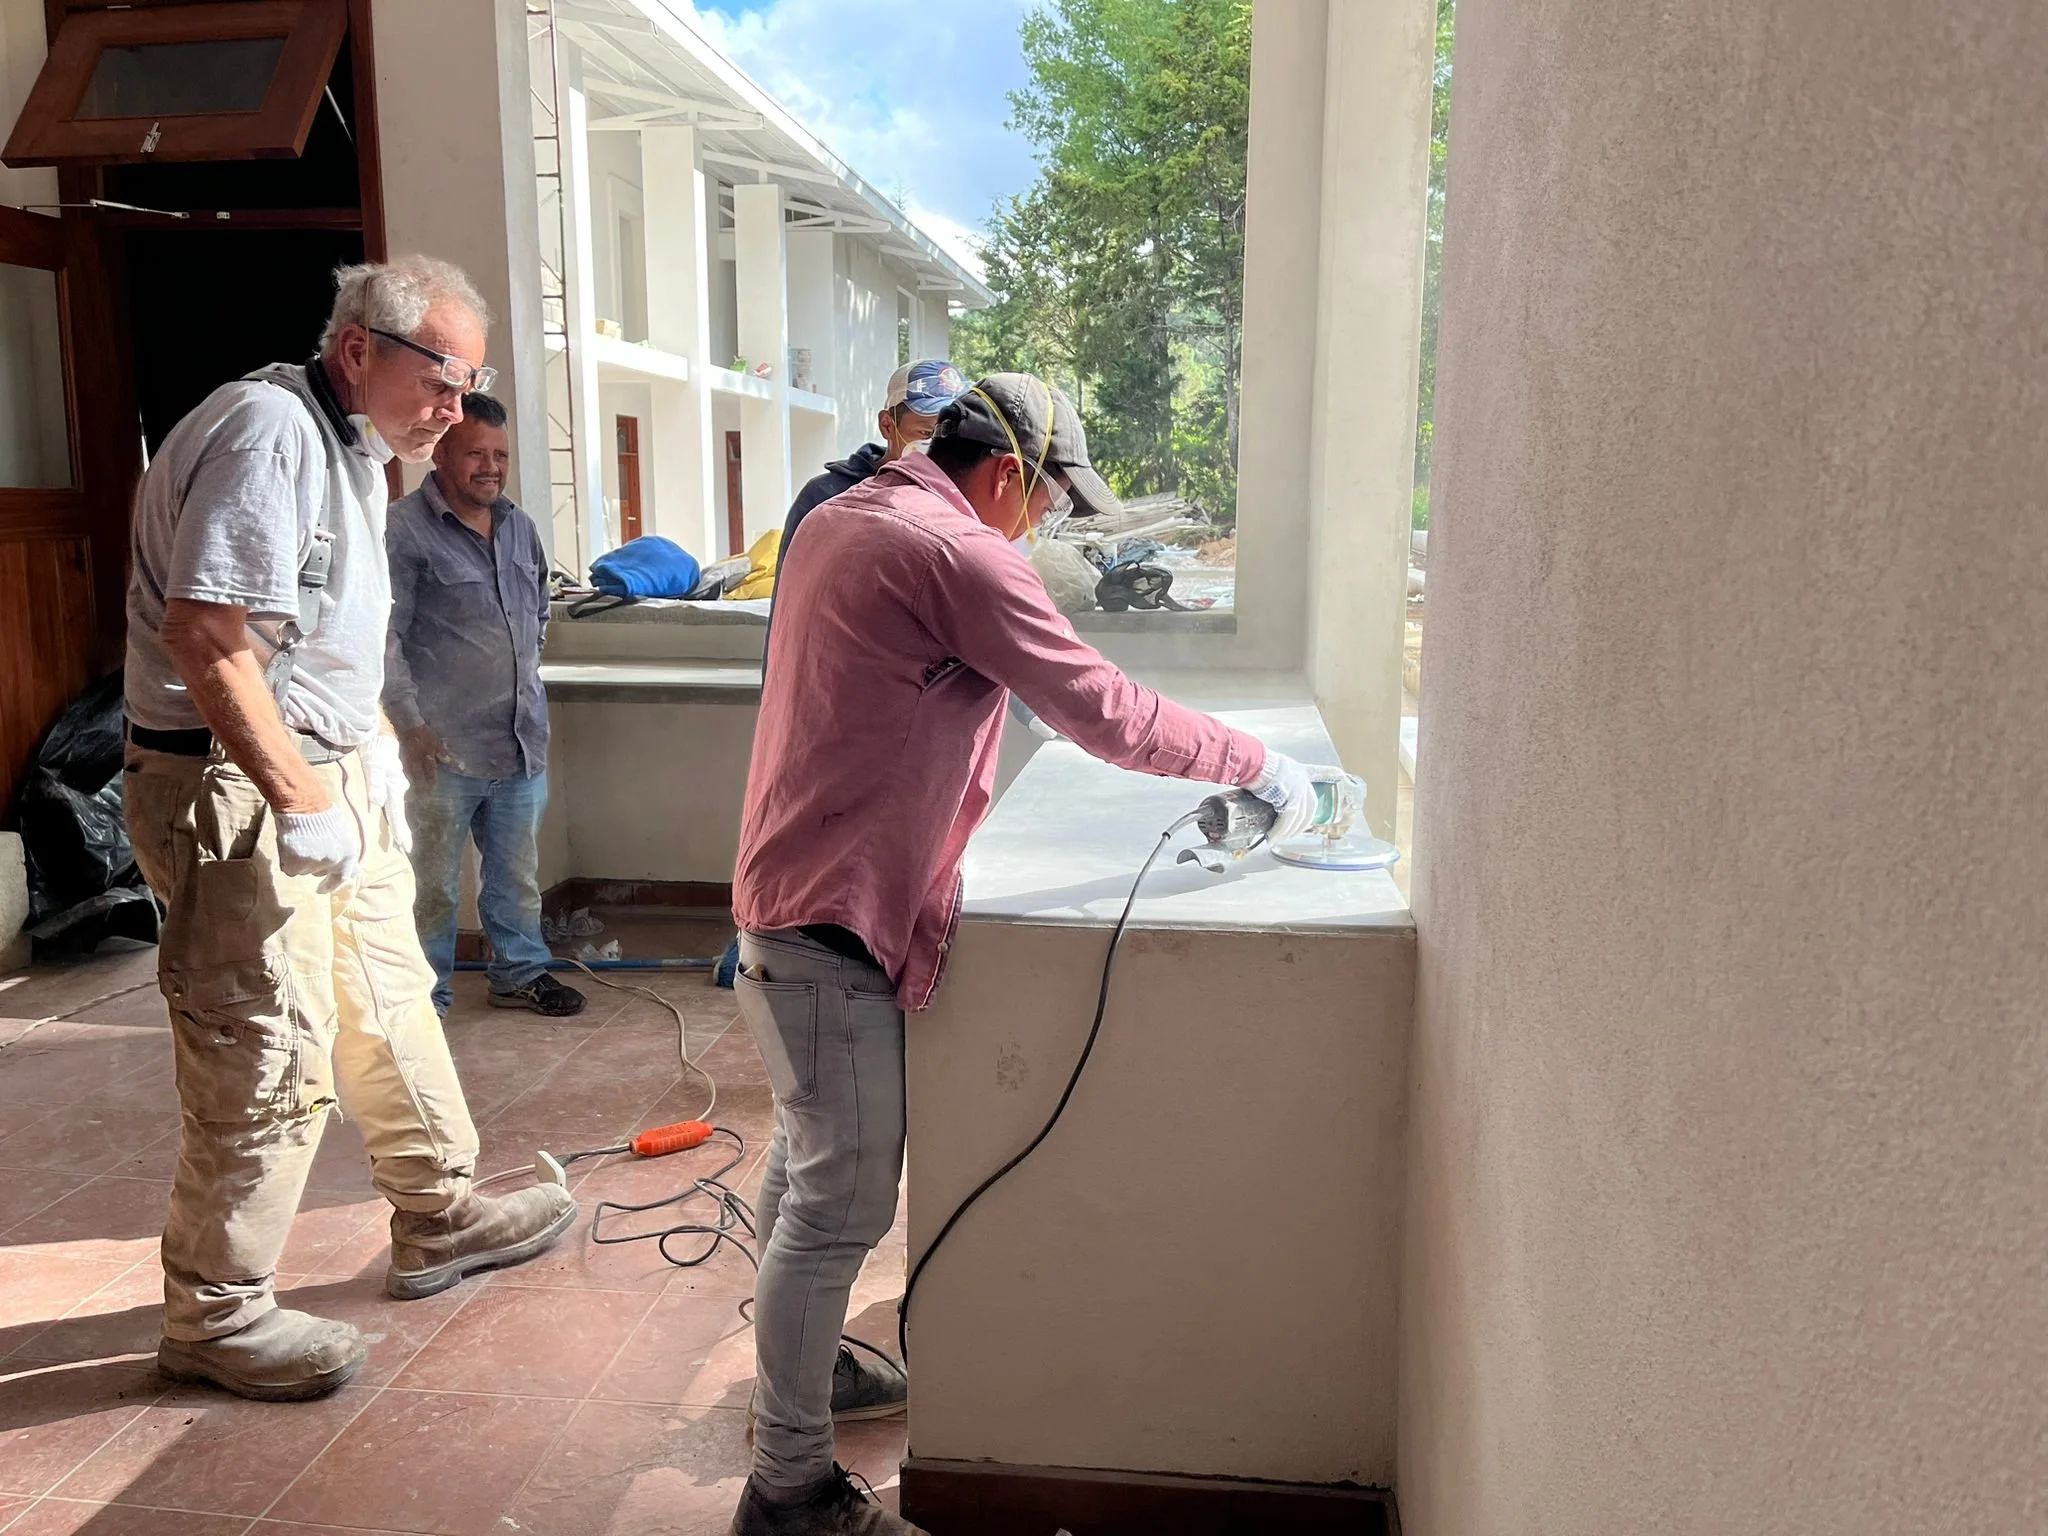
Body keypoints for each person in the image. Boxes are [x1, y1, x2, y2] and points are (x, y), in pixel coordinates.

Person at [724, 374, 1338, 1535]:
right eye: (1053, 502)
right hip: (831, 917)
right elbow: (1098, 708)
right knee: (836, 1203)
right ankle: (788, 1488)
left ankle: (798, 1381)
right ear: (1007, 473)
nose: (1047, 526)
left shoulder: (846, 518)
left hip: (788, 887)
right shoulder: (957, 554)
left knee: (809, 1160)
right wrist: (1257, 764)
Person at [121, 256, 577, 1404]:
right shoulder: (271, 433)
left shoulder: (356, 453)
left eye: (473, 384)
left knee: (386, 998)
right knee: (265, 1043)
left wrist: (362, 757)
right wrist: (298, 796)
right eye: (445, 378)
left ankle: (438, 1213)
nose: (460, 409)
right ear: (360, 349)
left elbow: (326, 640)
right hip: (241, 787)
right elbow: (209, 633)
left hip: (329, 777)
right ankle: (215, 1315)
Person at [384, 392, 583, 1019]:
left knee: (517, 879)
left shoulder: (520, 527)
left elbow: (538, 615)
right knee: (432, 887)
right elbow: (383, 638)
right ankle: (425, 998)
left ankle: (518, 973)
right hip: (438, 749)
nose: (490, 467)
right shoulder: (404, 530)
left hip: (519, 740)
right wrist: (410, 725)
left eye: (499, 454)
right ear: (439, 454)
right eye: (475, 453)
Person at [778, 358, 968, 562]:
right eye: (926, 432)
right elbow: (788, 589)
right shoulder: (825, 496)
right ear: (887, 425)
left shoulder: (963, 497)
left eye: (951, 435)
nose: (941, 446)